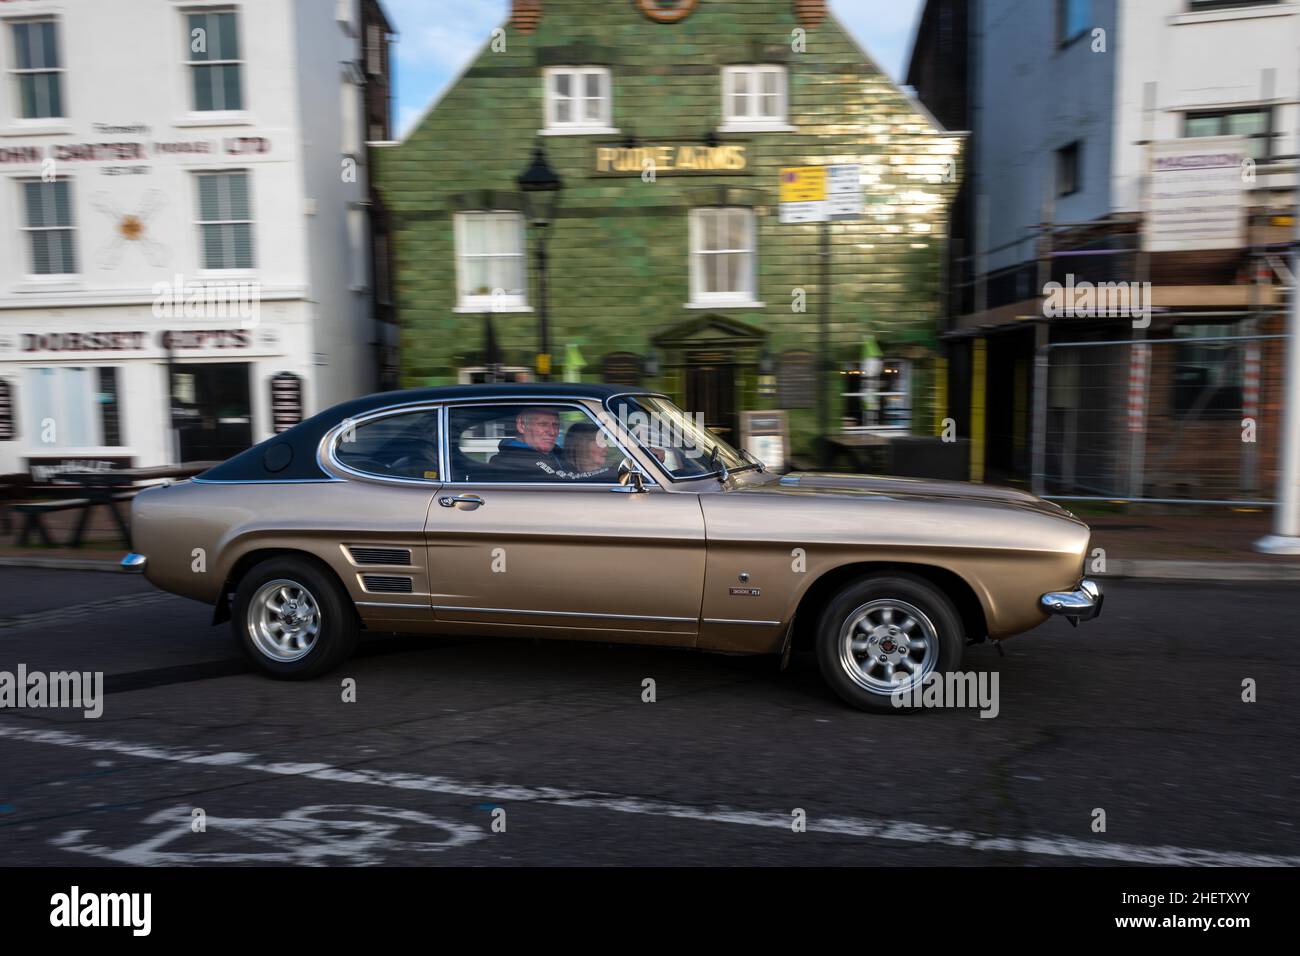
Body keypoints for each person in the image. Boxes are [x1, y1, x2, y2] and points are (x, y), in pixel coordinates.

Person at [488, 407, 566, 478]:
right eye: (543, 424)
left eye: (556, 425)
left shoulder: (558, 454)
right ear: (522, 425)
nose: (552, 432)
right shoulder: (514, 463)